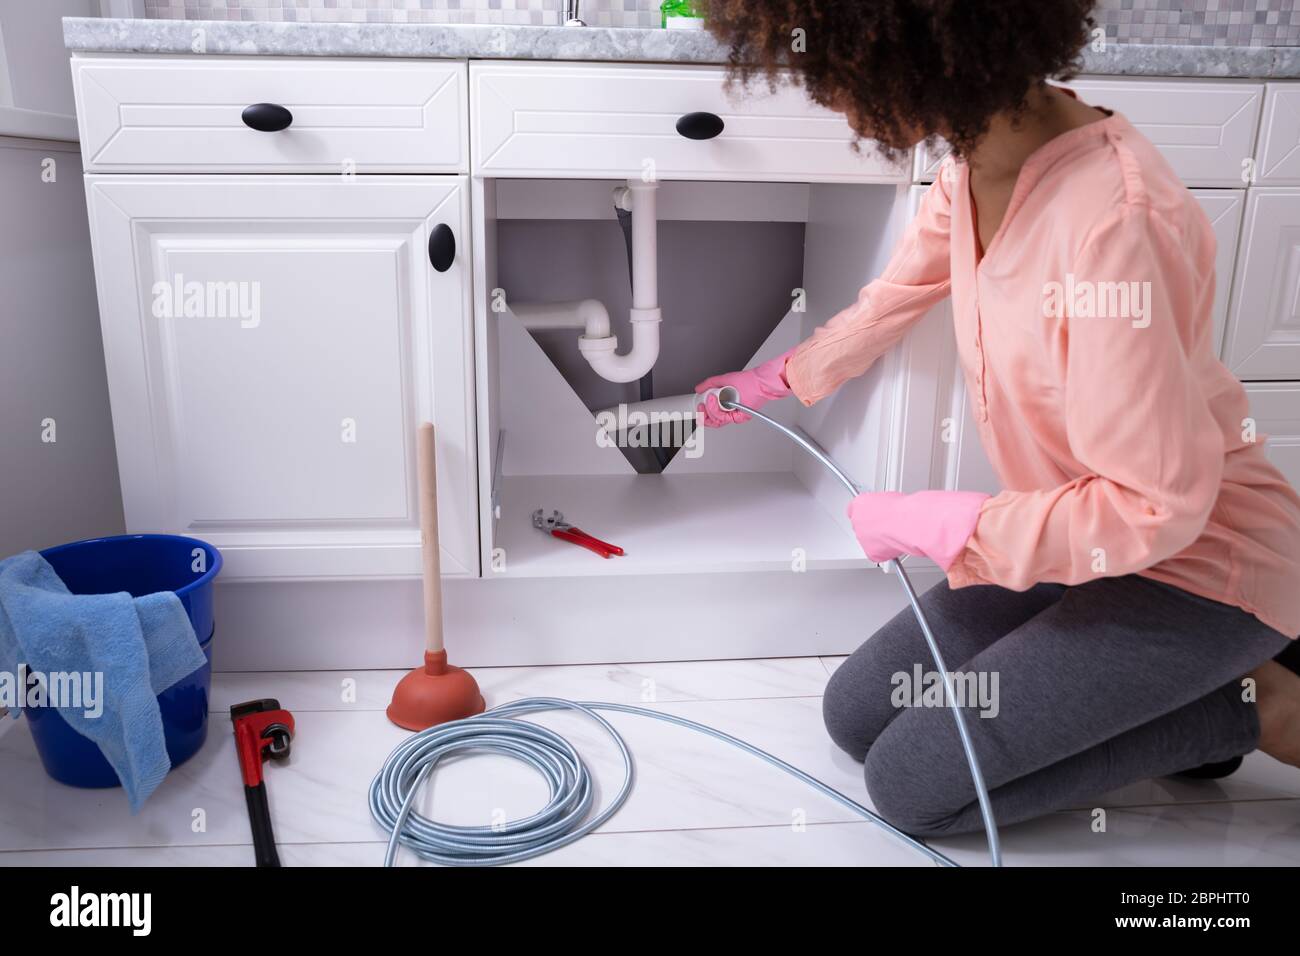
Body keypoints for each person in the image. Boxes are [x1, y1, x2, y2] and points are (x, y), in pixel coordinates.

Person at [695, 0, 1300, 836]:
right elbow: (897, 297)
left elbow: (1156, 506)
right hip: (1074, 537)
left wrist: (955, 524)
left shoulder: (1115, 224)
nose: (829, 98)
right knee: (855, 713)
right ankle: (1165, 696)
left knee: (912, 785)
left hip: (1199, 567)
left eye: (829, 74)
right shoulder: (974, 162)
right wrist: (777, 379)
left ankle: (1254, 704)